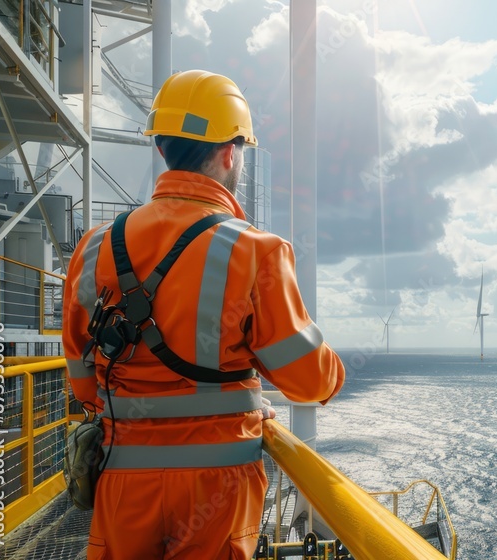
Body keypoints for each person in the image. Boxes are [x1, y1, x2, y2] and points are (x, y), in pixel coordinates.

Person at [62, 69, 345, 559]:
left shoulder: (94, 249)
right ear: (230, 150)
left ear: (162, 148)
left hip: (123, 479)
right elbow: (308, 380)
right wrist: (249, 398)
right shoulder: (257, 251)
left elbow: (83, 378)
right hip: (218, 487)